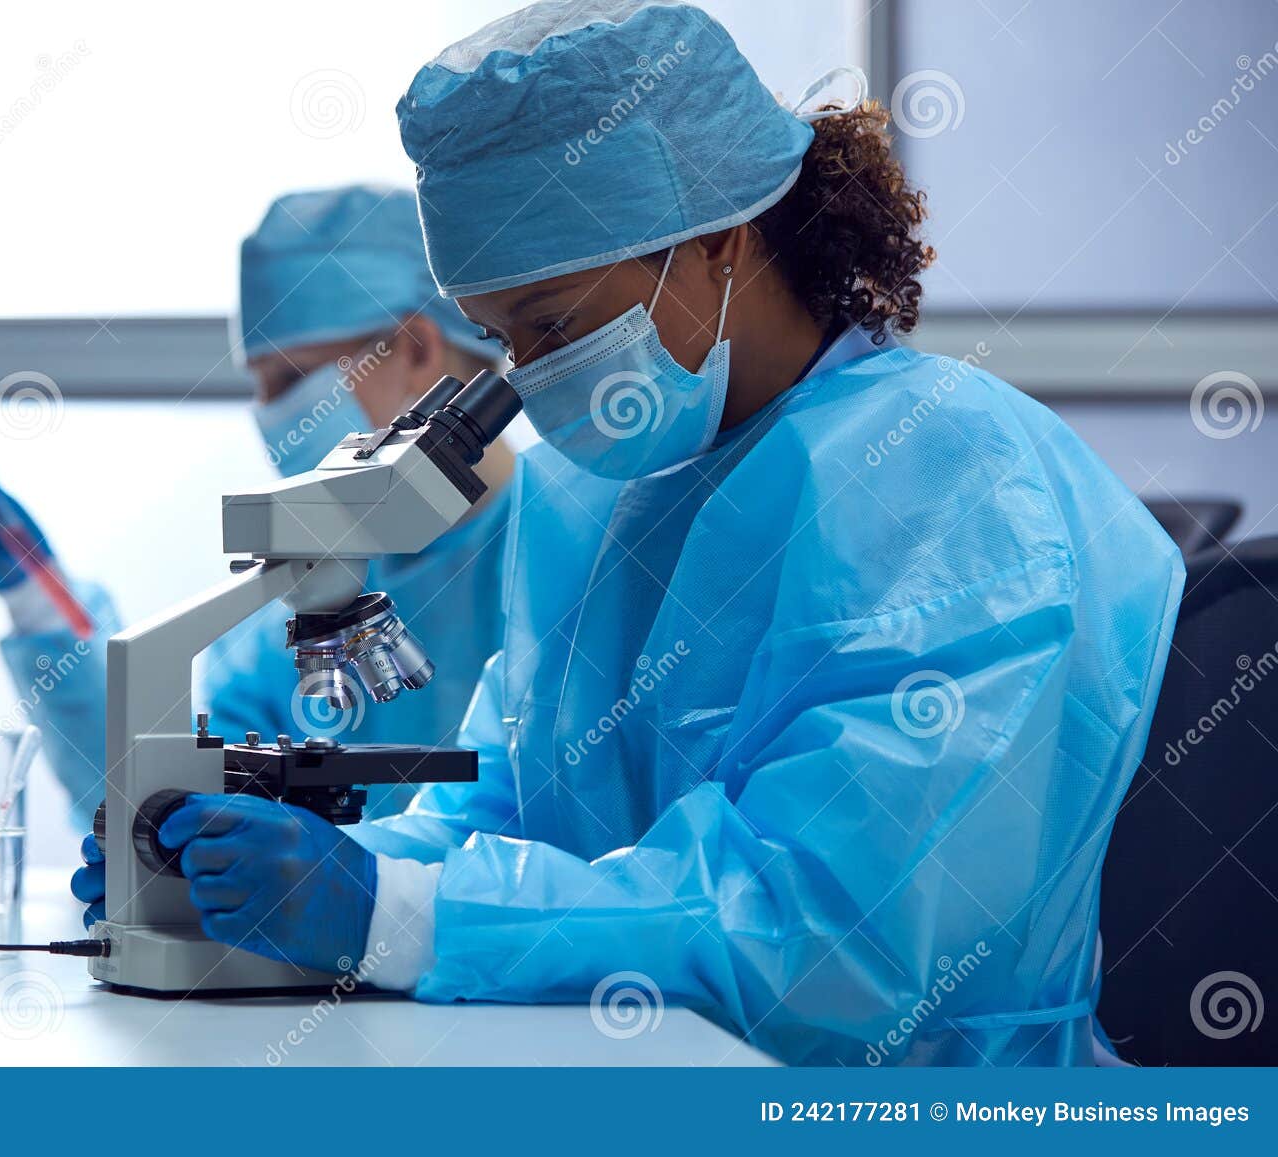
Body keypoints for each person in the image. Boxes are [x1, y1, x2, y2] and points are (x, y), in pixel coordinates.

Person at [80, 2, 1184, 1067]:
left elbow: (834, 942)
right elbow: (499, 815)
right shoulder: (590, 498)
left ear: (718, 242)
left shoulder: (950, 477)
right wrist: (268, 883)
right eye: (499, 336)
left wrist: (390, 912)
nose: (529, 376)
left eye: (555, 323)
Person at [0, 186, 514, 840]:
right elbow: (165, 801)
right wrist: (35, 596)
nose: (270, 416)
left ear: (413, 350)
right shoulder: (312, 583)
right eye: (259, 387)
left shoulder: (573, 558)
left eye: (293, 380)